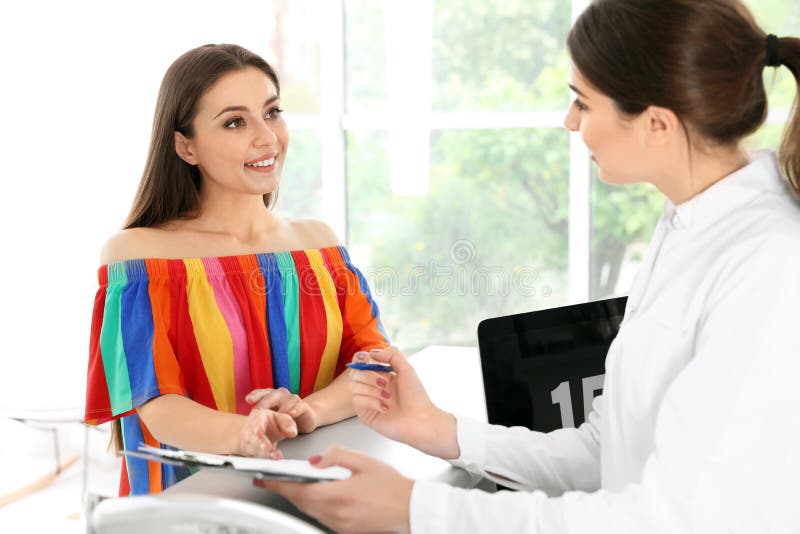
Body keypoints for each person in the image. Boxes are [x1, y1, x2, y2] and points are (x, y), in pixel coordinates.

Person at [259, 1, 800, 532]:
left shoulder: (769, 262)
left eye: (583, 104)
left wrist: (414, 509)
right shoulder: (690, 222)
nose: (570, 122)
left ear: (656, 124)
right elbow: (605, 451)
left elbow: (667, 517)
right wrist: (436, 430)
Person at [83, 44, 389, 496]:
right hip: (193, 507)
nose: (267, 137)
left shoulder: (319, 245)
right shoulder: (138, 257)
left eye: (272, 112)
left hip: (319, 494)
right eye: (234, 121)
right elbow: (156, 404)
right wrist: (243, 434)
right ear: (185, 146)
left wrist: (309, 412)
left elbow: (374, 363)